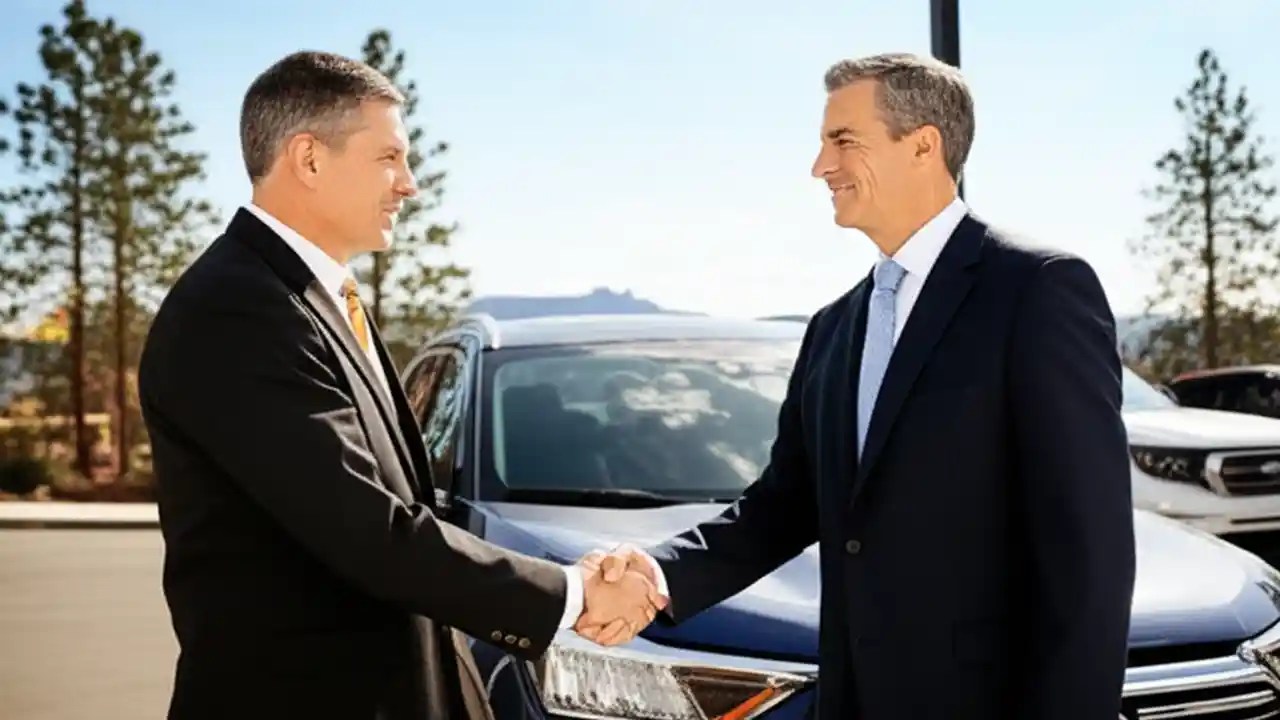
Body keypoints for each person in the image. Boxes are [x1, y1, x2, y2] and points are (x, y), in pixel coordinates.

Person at [581, 52, 1136, 719]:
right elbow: (783, 505)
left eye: (843, 141)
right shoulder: (833, 328)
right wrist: (659, 574)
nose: (821, 166)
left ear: (923, 146)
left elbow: (1089, 556)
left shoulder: (1037, 290)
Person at [137, 50, 662, 720]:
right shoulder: (236, 312)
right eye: (389, 157)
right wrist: (573, 593)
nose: (409, 184)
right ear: (309, 158)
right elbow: (370, 533)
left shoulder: (305, 297)